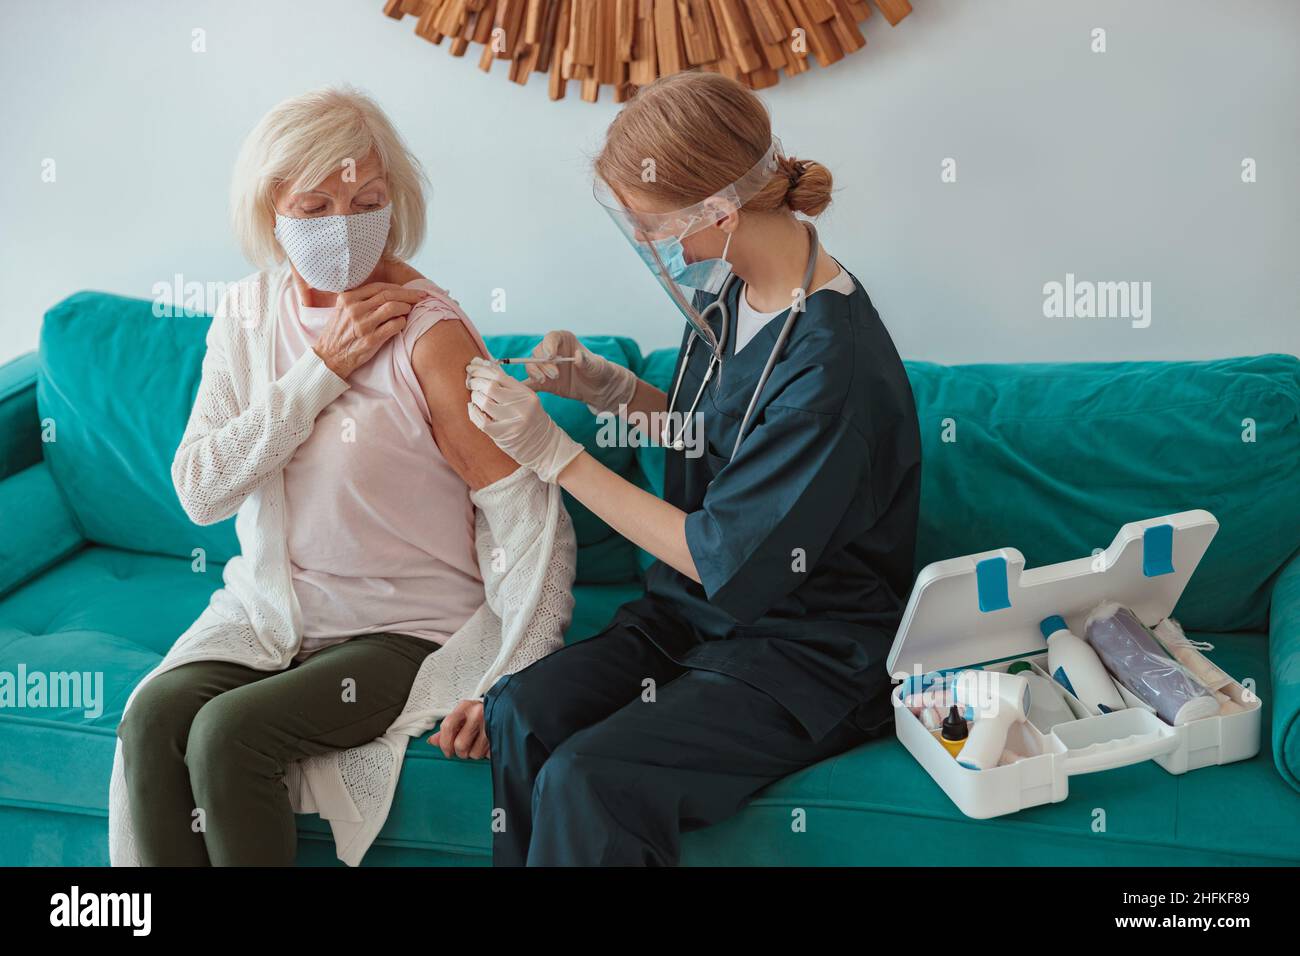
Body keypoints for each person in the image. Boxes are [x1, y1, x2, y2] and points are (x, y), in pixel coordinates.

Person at [465, 71, 922, 866]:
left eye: (647, 222)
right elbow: (712, 435)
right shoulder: (730, 294)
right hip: (689, 622)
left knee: (589, 780)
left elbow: (717, 554)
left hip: (802, 653)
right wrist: (608, 389)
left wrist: (554, 453)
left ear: (717, 210)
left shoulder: (832, 372)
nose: (645, 242)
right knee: (520, 711)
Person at [114, 87, 544, 866]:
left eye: (367, 200)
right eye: (315, 205)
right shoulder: (246, 315)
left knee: (227, 733)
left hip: (403, 628)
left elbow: (523, 509)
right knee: (152, 718)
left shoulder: (429, 331)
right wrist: (318, 373)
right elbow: (201, 490)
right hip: (276, 614)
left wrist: (518, 670)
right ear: (270, 210)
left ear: (395, 201)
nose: (343, 226)